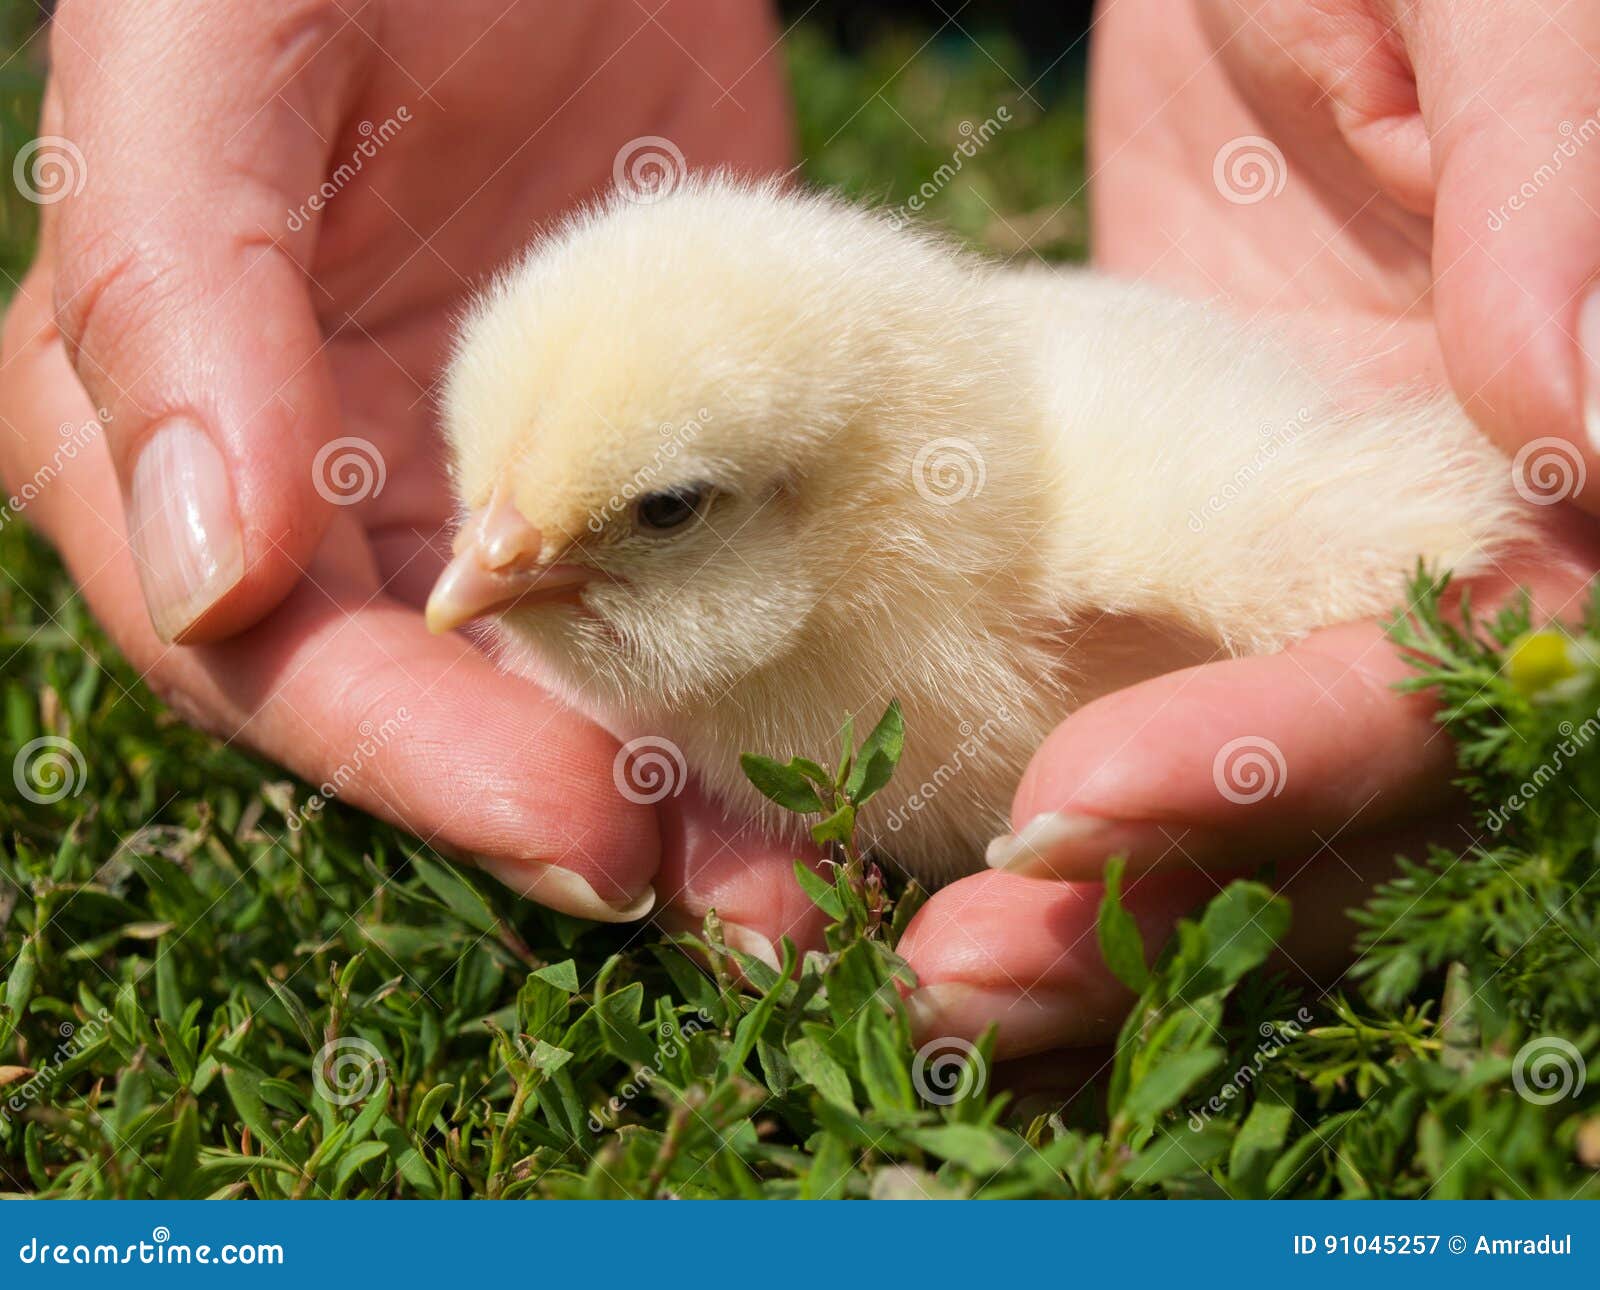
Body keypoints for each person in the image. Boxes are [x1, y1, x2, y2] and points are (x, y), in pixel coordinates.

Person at [3, 0, 1596, 1060]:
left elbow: (1415, 535)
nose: (479, 571)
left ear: (828, 497)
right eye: (493, 497)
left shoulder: (1114, 515)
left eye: (666, 511)